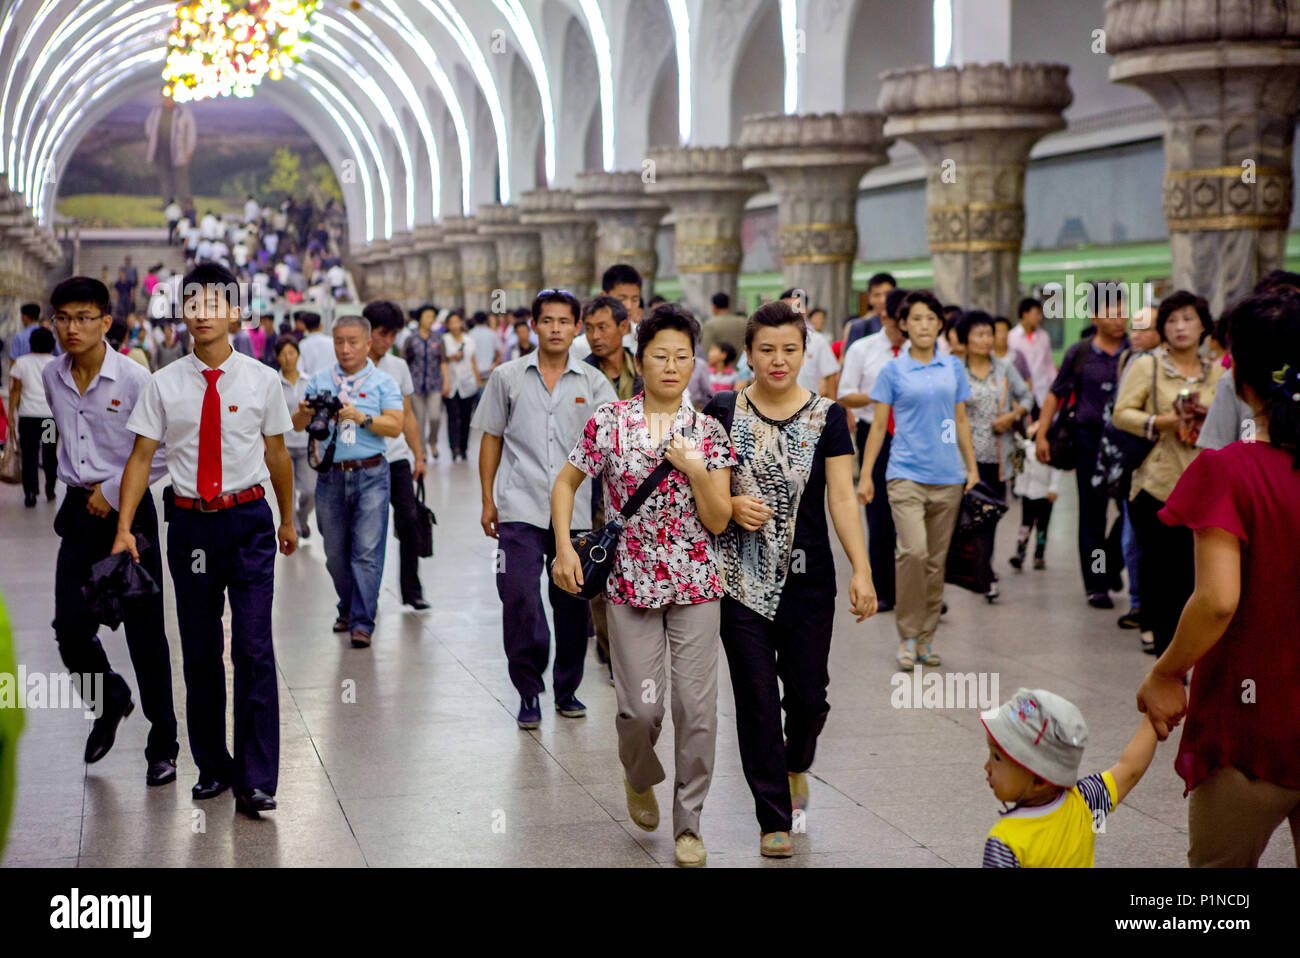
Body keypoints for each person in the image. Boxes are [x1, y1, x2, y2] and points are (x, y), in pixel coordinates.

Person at [552, 303, 736, 867]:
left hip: (696, 583)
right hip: (629, 584)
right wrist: (564, 546)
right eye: (661, 355)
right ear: (639, 359)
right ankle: (638, 774)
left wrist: (697, 468)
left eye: (683, 356)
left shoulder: (707, 431)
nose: (673, 366)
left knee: (696, 708)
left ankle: (690, 823)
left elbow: (720, 519)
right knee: (639, 712)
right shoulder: (609, 422)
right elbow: (566, 484)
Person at [114, 263, 297, 816]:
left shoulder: (263, 381)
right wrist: (124, 527)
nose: (202, 314)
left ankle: (258, 777)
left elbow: (278, 456)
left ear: (237, 313)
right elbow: (142, 459)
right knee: (199, 648)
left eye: (215, 304)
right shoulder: (163, 383)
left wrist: (287, 519)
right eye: (192, 304)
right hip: (190, 526)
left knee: (253, 646)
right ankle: (214, 766)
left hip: (248, 524)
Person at [705, 300, 876, 858]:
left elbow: (843, 496)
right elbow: (709, 490)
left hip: (808, 580)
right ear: (748, 353)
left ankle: (798, 759)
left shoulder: (828, 415)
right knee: (755, 700)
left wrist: (862, 570)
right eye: (767, 350)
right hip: (740, 579)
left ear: (805, 352)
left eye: (790, 350)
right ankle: (773, 818)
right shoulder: (723, 409)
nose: (779, 361)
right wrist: (730, 503)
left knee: (808, 698)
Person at [1136, 287, 1300, 867]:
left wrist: (1166, 671)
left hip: (1251, 724)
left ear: (1241, 381)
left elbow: (1218, 600)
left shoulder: (1228, 471)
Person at [39, 277, 177, 786]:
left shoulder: (136, 379)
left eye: (83, 318)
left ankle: (163, 742)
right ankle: (110, 698)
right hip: (78, 513)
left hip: (130, 513)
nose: (71, 329)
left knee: (145, 634)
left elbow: (161, 449)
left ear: (105, 322)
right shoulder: (53, 376)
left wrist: (116, 490)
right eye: (63, 319)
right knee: (70, 630)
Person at [471, 289, 616, 729]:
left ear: (577, 328)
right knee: (518, 597)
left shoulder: (593, 384)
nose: (556, 329)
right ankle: (528, 690)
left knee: (571, 602)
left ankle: (567, 688)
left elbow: (614, 443)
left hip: (573, 516)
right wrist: (486, 498)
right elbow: (491, 436)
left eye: (564, 321)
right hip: (519, 507)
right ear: (532, 325)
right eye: (547, 320)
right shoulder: (507, 377)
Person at [859, 290, 978, 670]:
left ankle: (926, 638)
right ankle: (907, 637)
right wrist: (864, 476)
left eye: (931, 318)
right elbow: (878, 426)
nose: (924, 325)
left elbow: (960, 420)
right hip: (905, 473)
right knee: (914, 553)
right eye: (916, 319)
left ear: (940, 323)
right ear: (904, 325)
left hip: (948, 476)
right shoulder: (893, 371)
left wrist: (971, 467)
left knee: (935, 562)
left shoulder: (952, 368)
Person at [1113, 291, 1222, 658]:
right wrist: (1163, 422)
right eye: (1172, 321)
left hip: (1207, 486)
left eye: (1188, 319)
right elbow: (1121, 413)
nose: (1180, 327)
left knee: (1198, 575)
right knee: (1160, 571)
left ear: (1203, 325)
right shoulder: (1148, 366)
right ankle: (1165, 652)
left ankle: (1193, 651)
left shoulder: (1219, 371)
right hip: (1158, 484)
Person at [294, 315, 404, 648]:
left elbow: (395, 426)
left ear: (368, 343)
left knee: (367, 553)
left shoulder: (384, 382)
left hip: (371, 473)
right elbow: (299, 426)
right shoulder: (318, 381)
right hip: (330, 476)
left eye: (353, 341)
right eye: (339, 341)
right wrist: (305, 412)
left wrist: (363, 418)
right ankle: (348, 605)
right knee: (334, 553)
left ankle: (361, 621)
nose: (345, 349)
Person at [981, 689, 1157, 867]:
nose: (987, 767)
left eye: (996, 758)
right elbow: (1130, 769)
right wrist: (1153, 716)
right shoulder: (1085, 801)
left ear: (1039, 781)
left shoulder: (1005, 842)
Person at [1037, 295, 1129, 609]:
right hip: (1088, 441)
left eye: (1123, 312)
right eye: (1111, 313)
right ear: (1093, 316)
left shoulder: (1135, 350)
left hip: (1128, 442)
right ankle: (1097, 582)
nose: (1119, 319)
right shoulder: (1081, 352)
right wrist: (1041, 435)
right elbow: (1055, 395)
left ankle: (1113, 561)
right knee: (1093, 516)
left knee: (1132, 510)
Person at [580, 293, 643, 679]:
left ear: (624, 327)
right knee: (600, 567)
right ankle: (610, 651)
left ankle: (637, 653)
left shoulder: (646, 367)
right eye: (588, 329)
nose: (595, 337)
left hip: (644, 491)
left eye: (603, 327)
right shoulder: (581, 372)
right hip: (598, 486)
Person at [837, 290, 909, 612]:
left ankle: (917, 588)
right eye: (906, 320)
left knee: (915, 516)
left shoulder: (923, 351)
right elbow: (845, 394)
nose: (913, 327)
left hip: (914, 432)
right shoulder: (862, 349)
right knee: (879, 515)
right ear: (886, 317)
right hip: (875, 434)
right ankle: (882, 588)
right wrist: (879, 397)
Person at [958, 311, 1030, 600]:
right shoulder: (955, 369)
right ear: (965, 339)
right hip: (964, 459)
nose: (986, 339)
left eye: (989, 333)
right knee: (969, 517)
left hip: (999, 457)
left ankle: (983, 569)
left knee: (991, 515)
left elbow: (1028, 396)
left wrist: (1013, 415)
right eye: (978, 334)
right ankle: (980, 572)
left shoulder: (1004, 368)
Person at [364, 301, 430, 610]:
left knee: (409, 520)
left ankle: (412, 590)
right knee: (367, 533)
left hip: (397, 458)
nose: (387, 341)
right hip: (365, 459)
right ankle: (364, 600)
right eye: (382, 334)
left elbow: (408, 414)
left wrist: (419, 455)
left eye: (392, 335)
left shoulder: (398, 366)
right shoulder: (352, 364)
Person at [9, 326, 59, 506]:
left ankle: (30, 492)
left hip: (28, 416)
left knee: (29, 454)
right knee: (49, 453)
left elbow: (15, 391)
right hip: (49, 418)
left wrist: (11, 415)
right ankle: (50, 489)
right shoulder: (56, 363)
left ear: (31, 343)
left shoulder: (21, 362)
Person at [275, 337, 314, 540]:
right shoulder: (274, 383)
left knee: (310, 490)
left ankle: (302, 516)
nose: (288, 358)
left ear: (298, 354)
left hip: (306, 444)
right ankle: (295, 529)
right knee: (287, 494)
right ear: (277, 357)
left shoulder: (310, 381)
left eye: (291, 353)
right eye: (283, 354)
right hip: (284, 446)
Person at [1009, 420, 1061, 571]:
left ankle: (1039, 555)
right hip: (1028, 493)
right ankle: (1020, 554)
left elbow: (1056, 470)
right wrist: (1017, 485)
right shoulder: (1025, 448)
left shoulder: (1050, 449)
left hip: (1045, 494)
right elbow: (1017, 466)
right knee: (1025, 525)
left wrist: (1053, 488)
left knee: (1042, 526)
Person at [404, 304, 444, 461]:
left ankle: (432, 441)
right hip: (416, 384)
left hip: (435, 383)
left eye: (433, 317)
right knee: (419, 420)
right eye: (427, 316)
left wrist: (446, 381)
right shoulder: (411, 339)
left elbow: (443, 361)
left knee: (435, 417)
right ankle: (421, 451)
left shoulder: (438, 338)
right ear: (420, 318)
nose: (430, 320)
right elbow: (405, 362)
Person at [441, 309, 480, 461]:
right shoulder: (444, 340)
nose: (455, 325)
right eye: (451, 322)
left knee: (465, 417)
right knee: (452, 416)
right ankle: (454, 448)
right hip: (451, 384)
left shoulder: (469, 340)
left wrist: (477, 380)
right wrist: (452, 358)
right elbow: (443, 361)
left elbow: (473, 361)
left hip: (468, 383)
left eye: (457, 321)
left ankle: (464, 447)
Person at [1010, 297, 1056, 412]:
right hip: (1020, 393)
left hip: (1042, 392)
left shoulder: (1044, 336)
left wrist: (1054, 386)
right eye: (1036, 314)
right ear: (1025, 314)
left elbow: (1048, 364)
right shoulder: (1011, 337)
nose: (1040, 318)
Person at [842, 271, 895, 354]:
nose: (883, 300)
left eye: (887, 294)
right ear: (869, 298)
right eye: (877, 295)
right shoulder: (859, 327)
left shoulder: (906, 325)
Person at [698, 291, 747, 358]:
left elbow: (706, 349)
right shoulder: (744, 322)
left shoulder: (710, 325)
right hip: (743, 366)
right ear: (728, 305)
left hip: (721, 367)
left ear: (714, 307)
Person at [295, 311, 333, 376]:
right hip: (331, 381)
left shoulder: (302, 344)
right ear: (320, 326)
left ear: (305, 327)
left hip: (311, 382)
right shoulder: (331, 341)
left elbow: (299, 368)